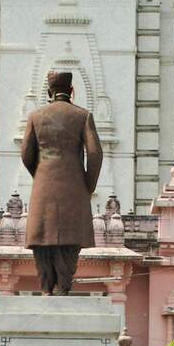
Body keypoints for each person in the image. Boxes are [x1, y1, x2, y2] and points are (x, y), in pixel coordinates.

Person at [21, 69, 103, 294]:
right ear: (71, 91)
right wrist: (87, 185)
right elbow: (95, 154)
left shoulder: (35, 117)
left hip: (43, 189)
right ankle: (64, 287)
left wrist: (40, 175)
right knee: (68, 243)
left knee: (42, 243)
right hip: (73, 189)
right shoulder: (82, 116)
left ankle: (46, 289)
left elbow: (26, 155)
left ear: (49, 92)